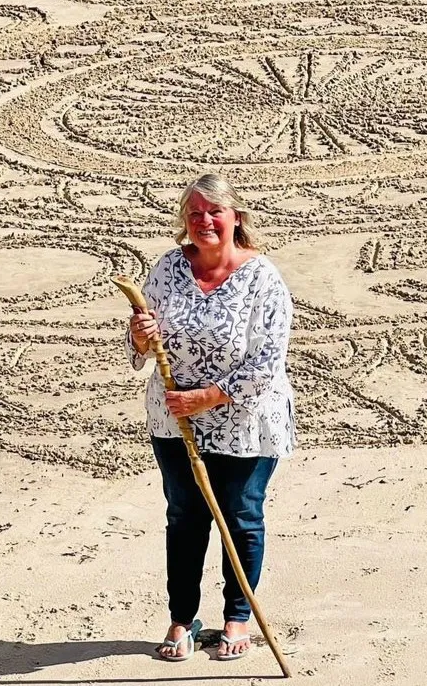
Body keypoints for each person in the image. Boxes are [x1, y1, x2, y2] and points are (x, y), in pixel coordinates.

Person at [126, 173, 296, 662]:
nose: (204, 221)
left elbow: (267, 363)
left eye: (214, 211)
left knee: (240, 516)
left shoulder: (262, 278)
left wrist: (207, 396)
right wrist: (140, 335)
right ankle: (182, 620)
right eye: (195, 212)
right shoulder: (167, 270)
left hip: (245, 421)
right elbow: (142, 344)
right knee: (184, 517)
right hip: (174, 421)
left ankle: (237, 618)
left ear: (235, 218)